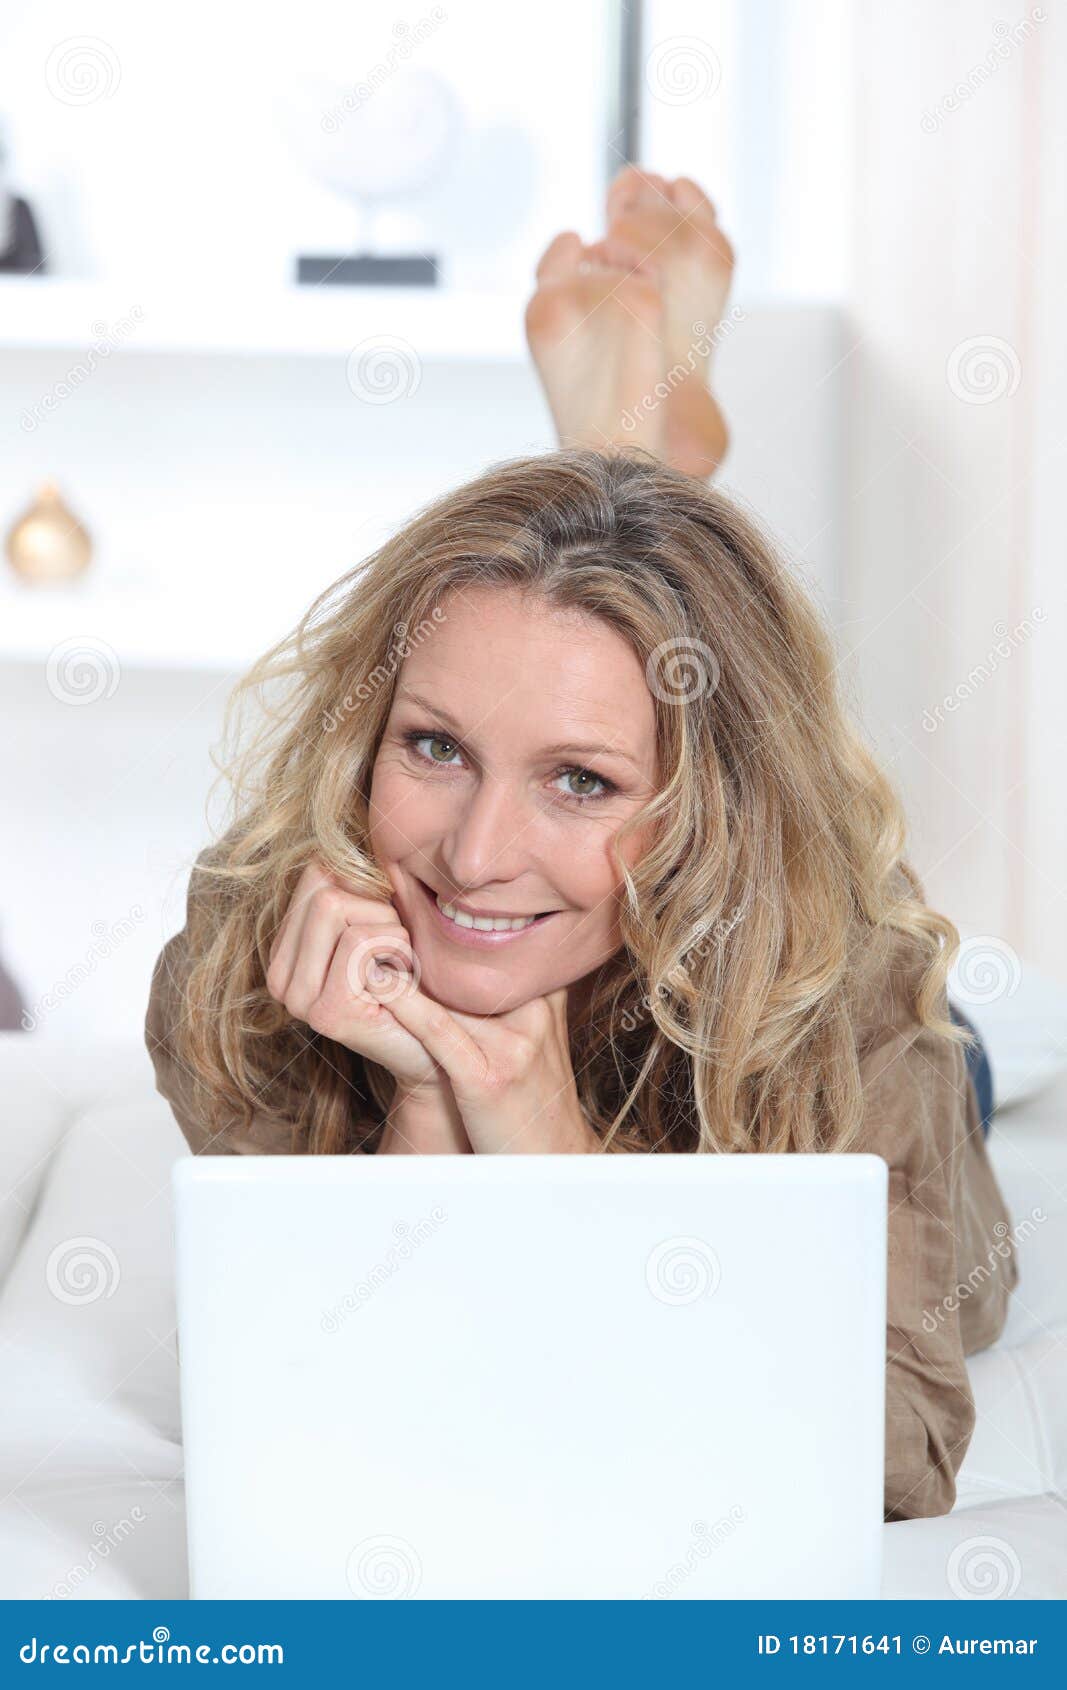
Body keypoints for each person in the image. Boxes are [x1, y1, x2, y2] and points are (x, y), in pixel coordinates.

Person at [144, 167, 1016, 1521]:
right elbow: (334, 1402)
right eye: (433, 747)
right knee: (589, 608)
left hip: (807, 975)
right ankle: (630, 463)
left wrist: (551, 1149)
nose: (477, 855)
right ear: (365, 733)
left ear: (701, 813)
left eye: (580, 779)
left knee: (979, 1181)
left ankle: (635, 455)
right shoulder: (251, 948)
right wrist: (432, 1104)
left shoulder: (841, 978)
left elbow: (900, 1449)